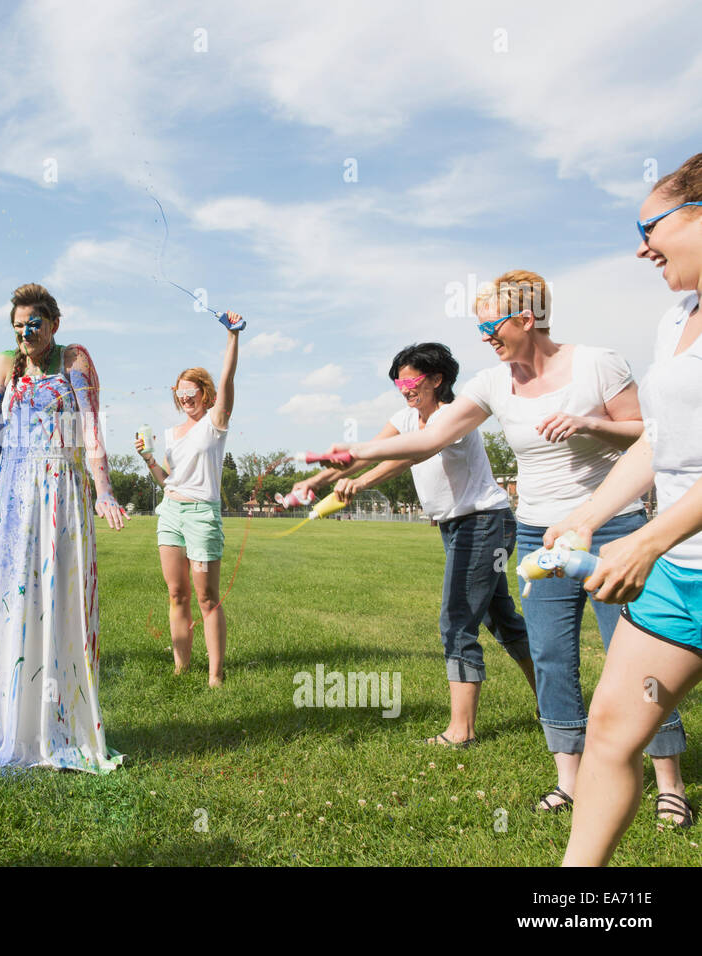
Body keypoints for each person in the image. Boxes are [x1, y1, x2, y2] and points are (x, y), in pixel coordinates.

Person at [329, 270, 686, 816]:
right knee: (549, 655)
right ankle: (570, 780)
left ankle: (669, 785)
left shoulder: (597, 362)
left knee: (637, 658)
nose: (486, 337)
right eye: (480, 328)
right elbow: (429, 437)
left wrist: (590, 423)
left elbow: (651, 433)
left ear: (526, 319)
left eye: (493, 325)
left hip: (614, 525)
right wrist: (352, 450)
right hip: (538, 534)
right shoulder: (493, 383)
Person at [555, 154, 702, 863]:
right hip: (685, 567)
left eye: (652, 227)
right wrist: (591, 515)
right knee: (611, 729)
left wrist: (645, 541)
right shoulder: (679, 314)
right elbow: (662, 444)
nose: (641, 247)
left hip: (667, 548)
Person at [293, 343, 536, 746]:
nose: (404, 388)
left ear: (437, 379)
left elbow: (411, 454)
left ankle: (462, 732)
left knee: (457, 620)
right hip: (457, 525)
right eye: (398, 381)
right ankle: (551, 700)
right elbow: (363, 455)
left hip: (483, 523)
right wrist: (316, 482)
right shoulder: (406, 417)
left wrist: (363, 481)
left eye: (411, 380)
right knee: (501, 619)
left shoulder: (451, 418)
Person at [0, 283, 128, 773]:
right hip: (13, 495)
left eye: (34, 324)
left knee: (58, 600)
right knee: (14, 601)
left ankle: (61, 726)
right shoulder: (6, 363)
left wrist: (103, 489)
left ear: (54, 324)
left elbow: (91, 430)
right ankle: (12, 727)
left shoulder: (75, 359)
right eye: (18, 325)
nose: (25, 333)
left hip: (61, 491)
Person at [134, 315, 244, 687]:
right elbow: (167, 480)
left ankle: (215, 673)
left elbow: (228, 378)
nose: (183, 397)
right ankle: (181, 667)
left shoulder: (215, 423)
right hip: (171, 513)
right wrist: (149, 460)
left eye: (189, 391)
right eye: (179, 391)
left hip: (201, 515)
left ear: (204, 393)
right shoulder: (171, 433)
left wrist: (232, 337)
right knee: (177, 593)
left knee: (207, 596)